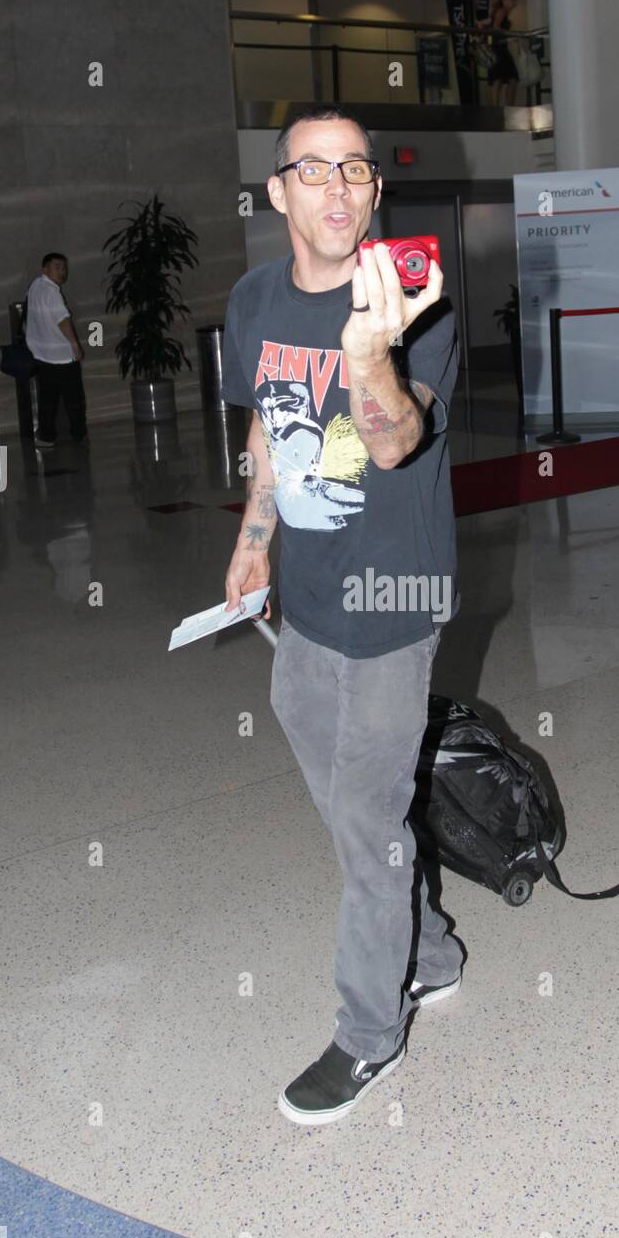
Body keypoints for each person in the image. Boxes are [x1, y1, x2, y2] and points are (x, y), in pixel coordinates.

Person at [221, 104, 463, 1124]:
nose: (336, 188)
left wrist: (371, 348)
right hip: (309, 597)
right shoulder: (251, 298)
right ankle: (435, 948)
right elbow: (269, 422)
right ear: (277, 190)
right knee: (336, 789)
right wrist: (252, 534)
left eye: (355, 171)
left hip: (394, 599)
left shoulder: (412, 303)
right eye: (312, 170)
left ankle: (370, 1034)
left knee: (364, 822)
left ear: (372, 191)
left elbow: (397, 438)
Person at [24, 252, 87, 447]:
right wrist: (75, 345)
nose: (62, 271)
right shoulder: (52, 292)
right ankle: (78, 434)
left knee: (47, 400)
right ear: (45, 268)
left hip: (42, 354)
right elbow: (62, 320)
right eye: (57, 266)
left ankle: (46, 437)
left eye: (64, 267)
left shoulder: (35, 286)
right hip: (62, 355)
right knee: (74, 399)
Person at [478, 0, 519, 107]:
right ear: (503, 0)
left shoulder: (497, 12)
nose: (513, 3)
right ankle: (508, 107)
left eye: (514, 0)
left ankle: (497, 108)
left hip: (496, 47)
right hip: (499, 48)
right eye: (511, 0)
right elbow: (496, 27)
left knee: (499, 78)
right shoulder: (502, 11)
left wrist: (483, 33)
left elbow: (481, 24)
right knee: (510, 77)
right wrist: (509, 35)